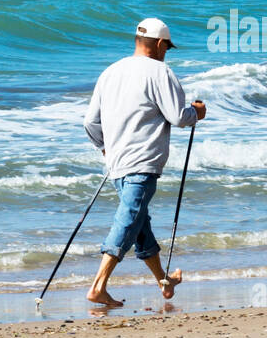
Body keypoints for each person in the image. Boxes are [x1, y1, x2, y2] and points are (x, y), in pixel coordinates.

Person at [83, 18, 206, 307]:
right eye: (167, 47)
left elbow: (90, 122)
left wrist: (104, 147)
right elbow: (178, 116)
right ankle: (98, 286)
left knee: (139, 223)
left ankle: (164, 281)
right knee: (128, 220)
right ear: (161, 44)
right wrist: (198, 113)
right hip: (143, 161)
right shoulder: (160, 71)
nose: (167, 52)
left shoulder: (110, 72)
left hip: (116, 163)